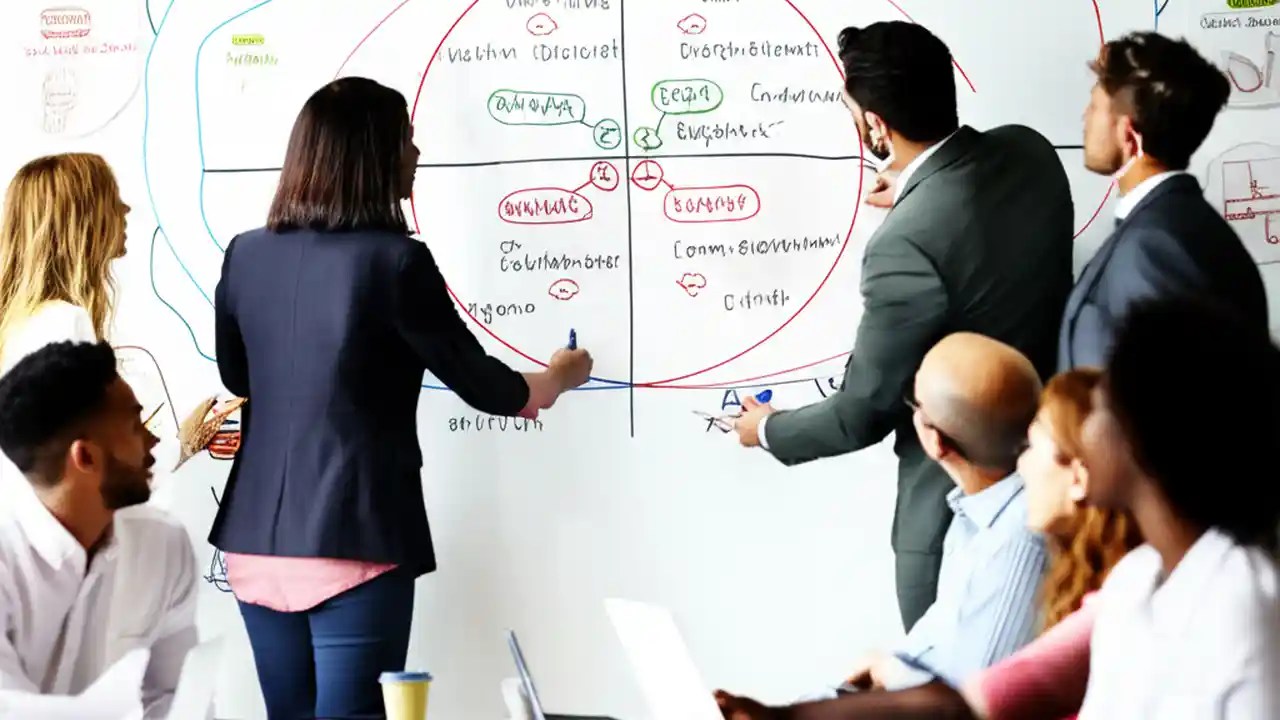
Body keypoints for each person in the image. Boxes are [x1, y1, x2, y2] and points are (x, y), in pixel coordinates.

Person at [210, 76, 594, 718]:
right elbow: (487, 387)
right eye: (406, 140)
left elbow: (236, 377)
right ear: (374, 155)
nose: (415, 155)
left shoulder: (245, 254)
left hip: (254, 540)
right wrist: (558, 377)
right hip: (354, 534)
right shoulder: (396, 262)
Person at [732, 21, 1075, 630]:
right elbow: (975, 212)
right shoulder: (1031, 154)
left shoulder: (904, 245)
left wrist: (768, 430)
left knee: (950, 687)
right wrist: (919, 192)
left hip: (957, 516)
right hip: (1063, 479)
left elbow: (859, 412)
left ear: (876, 127)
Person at [714, 368, 1141, 720]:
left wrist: (884, 674)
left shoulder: (1054, 561)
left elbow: (971, 707)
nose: (1022, 464)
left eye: (1035, 448)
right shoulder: (1117, 587)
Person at [1075, 298, 1280, 718]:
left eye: (1097, 409)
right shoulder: (1130, 582)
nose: (1084, 430)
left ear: (1136, 429)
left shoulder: (1243, 604)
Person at [0, 153, 223, 499]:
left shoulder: (22, 322)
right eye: (112, 200)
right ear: (83, 219)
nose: (126, 211)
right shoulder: (61, 325)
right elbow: (91, 470)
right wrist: (179, 447)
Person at [0, 341, 198, 719]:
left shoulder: (164, 545)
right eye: (135, 425)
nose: (152, 441)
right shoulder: (7, 562)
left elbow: (174, 696)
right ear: (86, 457)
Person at [1058, 32, 1268, 370]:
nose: (1084, 117)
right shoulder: (1186, 224)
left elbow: (1166, 406)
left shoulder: (1155, 250)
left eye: (1094, 106)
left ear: (1128, 135)